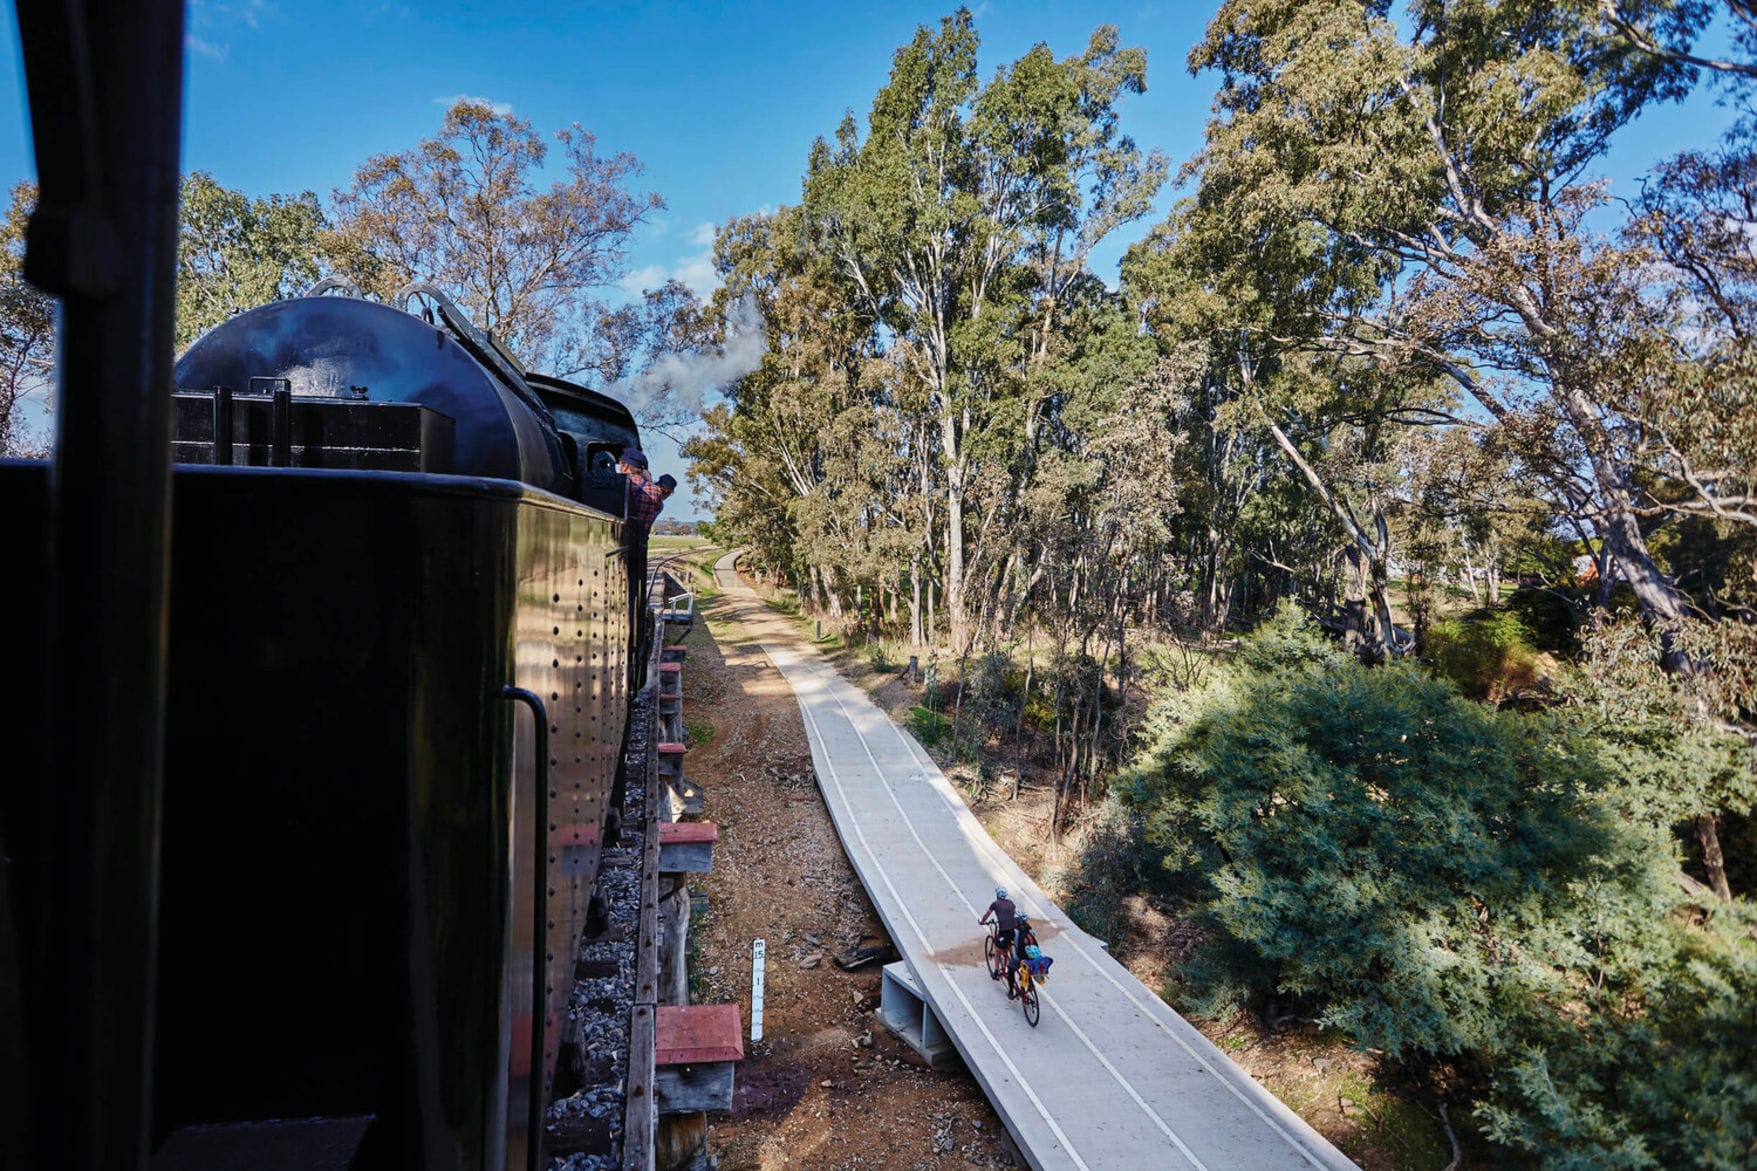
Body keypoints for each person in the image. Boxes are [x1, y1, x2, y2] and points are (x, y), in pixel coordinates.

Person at [978, 886, 1020, 995]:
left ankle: (996, 971)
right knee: (1008, 942)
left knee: (997, 949)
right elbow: (1013, 915)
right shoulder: (1011, 903)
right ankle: (1011, 956)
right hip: (1013, 930)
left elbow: (987, 914)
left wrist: (982, 922)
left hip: (1004, 931)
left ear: (997, 895)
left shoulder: (995, 904)